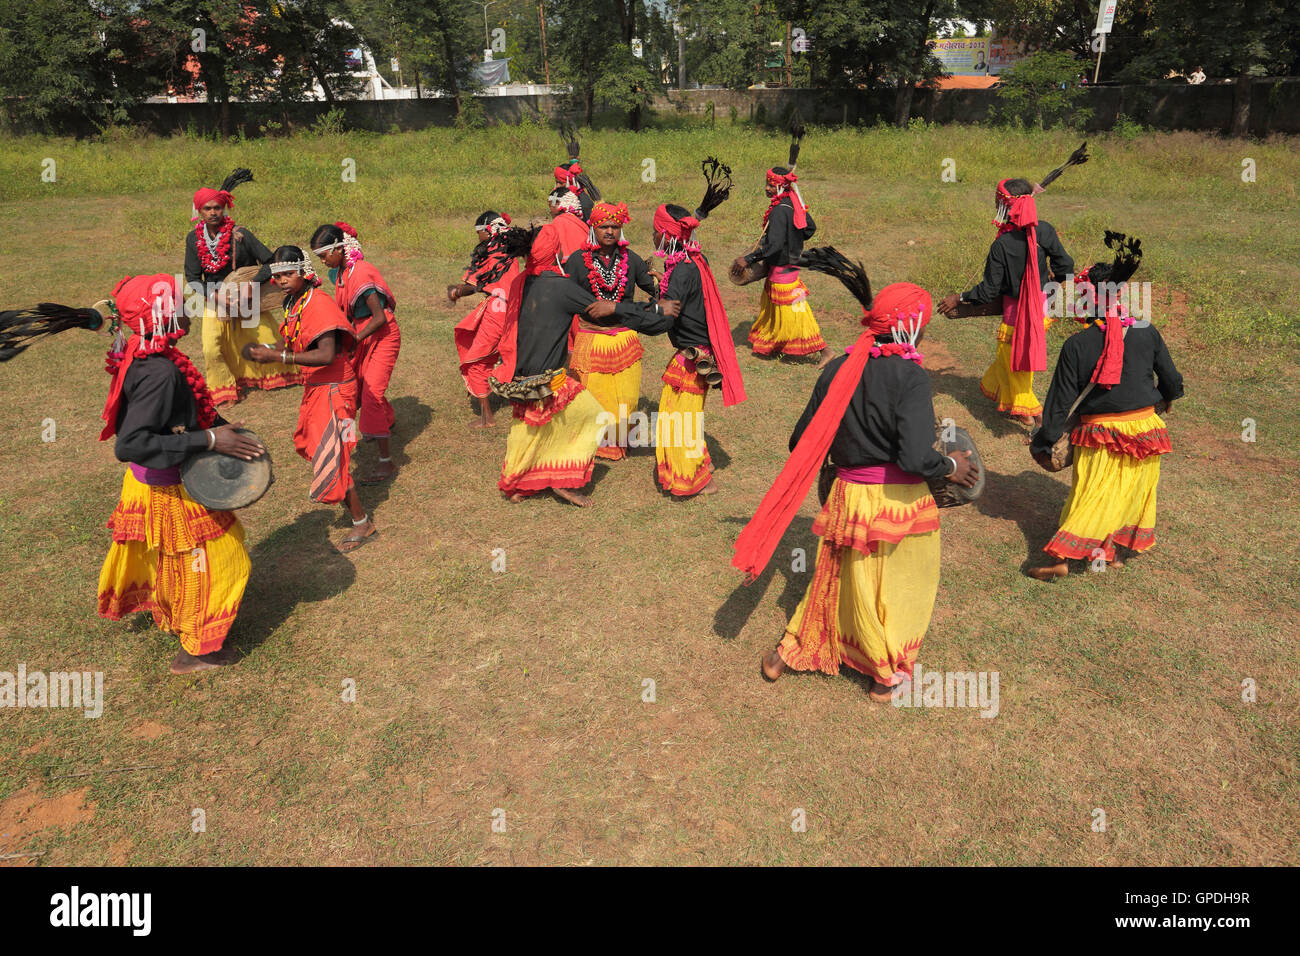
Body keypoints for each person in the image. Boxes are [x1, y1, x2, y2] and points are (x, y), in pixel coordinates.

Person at [732, 279, 978, 700]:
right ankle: (884, 676)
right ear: (911, 326)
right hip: (898, 505)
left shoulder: (838, 368)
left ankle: (787, 652)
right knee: (896, 586)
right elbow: (916, 458)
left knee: (839, 577)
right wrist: (953, 465)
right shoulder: (911, 377)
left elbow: (802, 440)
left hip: (846, 495)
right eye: (923, 323)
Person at [96, 274, 265, 675]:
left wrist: (215, 424)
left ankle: (180, 620)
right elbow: (131, 444)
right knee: (223, 559)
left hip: (151, 481)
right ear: (162, 315)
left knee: (182, 558)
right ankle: (195, 653)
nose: (188, 308)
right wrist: (209, 439)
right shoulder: (160, 373)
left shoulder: (147, 352)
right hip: (169, 484)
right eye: (179, 303)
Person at [1027, 239, 1183, 579]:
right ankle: (1113, 555)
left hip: (1101, 433)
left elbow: (1059, 402)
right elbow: (1171, 380)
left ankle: (1062, 559)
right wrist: (1163, 399)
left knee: (1091, 495)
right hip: (1146, 430)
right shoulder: (1146, 331)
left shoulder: (1077, 345)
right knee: (1130, 493)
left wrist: (1045, 441)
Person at [495, 238, 681, 506]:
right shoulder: (560, 288)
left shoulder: (522, 282)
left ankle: (514, 485)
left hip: (520, 375)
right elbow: (601, 310)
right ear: (555, 253)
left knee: (525, 430)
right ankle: (565, 481)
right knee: (592, 416)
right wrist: (655, 309)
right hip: (550, 379)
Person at [244, 247, 375, 553]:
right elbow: (293, 340)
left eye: (288, 274)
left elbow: (326, 354)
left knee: (334, 454)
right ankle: (357, 514)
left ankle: (362, 523)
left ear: (303, 272)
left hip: (337, 391)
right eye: (277, 276)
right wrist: (265, 349)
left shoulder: (319, 304)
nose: (282, 281)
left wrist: (278, 356)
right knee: (326, 452)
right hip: (319, 387)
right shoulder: (294, 302)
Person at [938, 177, 1074, 430]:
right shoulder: (1043, 230)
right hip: (1042, 310)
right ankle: (1016, 405)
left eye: (996, 199)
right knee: (1013, 360)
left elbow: (989, 291)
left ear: (1006, 205)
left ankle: (1033, 413)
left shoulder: (1002, 244)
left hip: (1016, 314)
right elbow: (1066, 266)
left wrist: (959, 297)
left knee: (1015, 362)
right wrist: (1052, 282)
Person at [183, 170, 300, 405]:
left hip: (250, 299)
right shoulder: (193, 239)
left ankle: (283, 376)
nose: (213, 212)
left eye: (217, 207)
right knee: (211, 347)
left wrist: (252, 285)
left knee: (268, 339)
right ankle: (224, 388)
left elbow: (271, 262)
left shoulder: (241, 235)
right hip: (216, 300)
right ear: (199, 212)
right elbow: (193, 278)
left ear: (224, 209)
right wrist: (215, 296)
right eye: (208, 208)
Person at [654, 204, 747, 497]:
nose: (653, 237)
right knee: (682, 416)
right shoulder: (694, 259)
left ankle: (695, 478)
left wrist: (629, 313)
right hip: (699, 349)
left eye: (654, 232)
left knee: (681, 419)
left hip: (693, 358)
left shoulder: (681, 271)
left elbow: (665, 315)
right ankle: (694, 464)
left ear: (665, 236)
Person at [563, 200, 659, 461]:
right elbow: (563, 299)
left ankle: (622, 440)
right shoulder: (576, 261)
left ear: (621, 229)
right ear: (593, 227)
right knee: (595, 397)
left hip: (624, 339)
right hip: (590, 339)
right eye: (603, 226)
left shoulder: (633, 260)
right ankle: (600, 444)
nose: (609, 231)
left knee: (626, 398)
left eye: (615, 227)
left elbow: (656, 291)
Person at [311, 222, 401, 484]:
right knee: (358, 388)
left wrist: (352, 341)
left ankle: (387, 462)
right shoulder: (340, 272)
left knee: (371, 392)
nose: (323, 262)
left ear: (339, 249)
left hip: (381, 335)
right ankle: (385, 421)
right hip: (362, 333)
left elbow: (379, 318)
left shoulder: (360, 274)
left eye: (324, 255)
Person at [736, 166, 823, 359]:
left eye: (772, 185)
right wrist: (793, 237)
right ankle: (773, 343)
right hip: (790, 264)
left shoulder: (778, 212)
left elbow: (774, 246)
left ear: (782, 187)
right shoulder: (794, 203)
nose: (767, 188)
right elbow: (810, 228)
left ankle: (824, 350)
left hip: (782, 268)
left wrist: (749, 259)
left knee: (795, 311)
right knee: (773, 306)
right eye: (767, 184)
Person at [451, 211, 522, 428]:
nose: (478, 236)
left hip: (497, 313)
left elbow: (473, 287)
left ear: (488, 230)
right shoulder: (510, 251)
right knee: (511, 356)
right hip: (514, 311)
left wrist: (454, 293)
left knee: (474, 361)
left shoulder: (490, 253)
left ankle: (487, 418)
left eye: (479, 231)